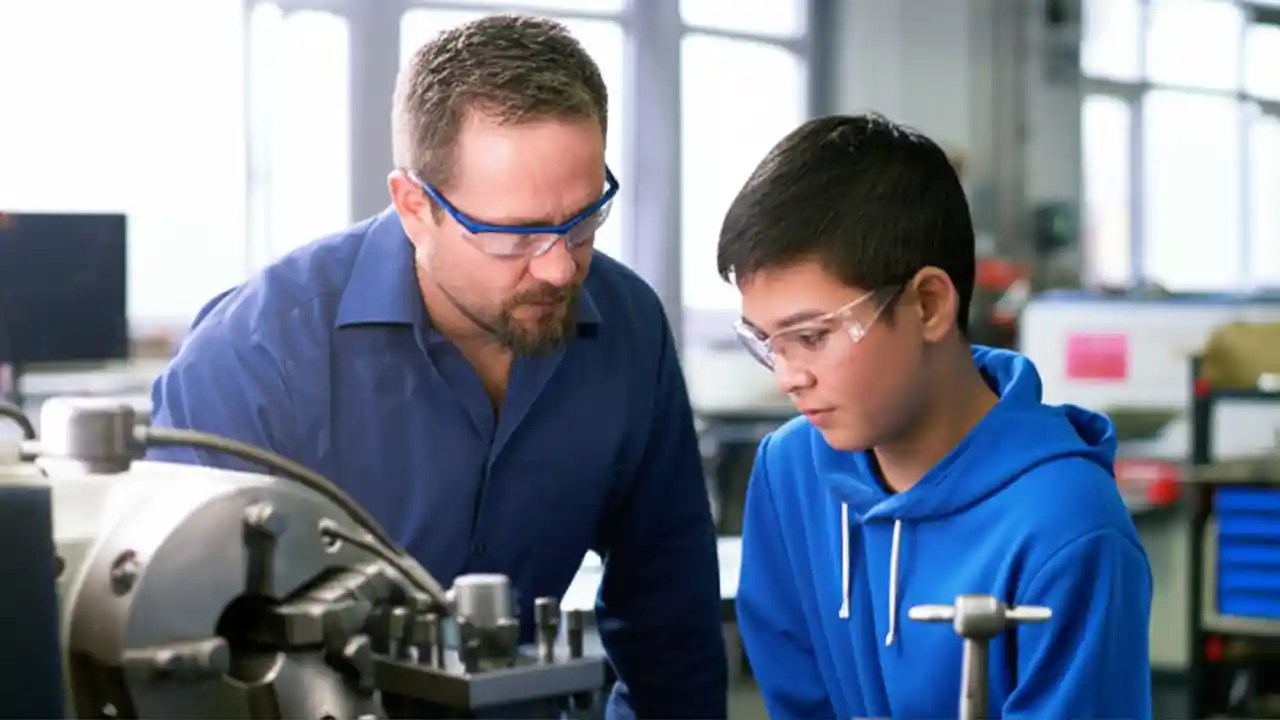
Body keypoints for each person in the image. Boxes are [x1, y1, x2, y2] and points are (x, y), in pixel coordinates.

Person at [147, 14, 726, 719]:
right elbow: (167, 656)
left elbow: (668, 620)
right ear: (415, 207)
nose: (558, 267)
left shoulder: (629, 328)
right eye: (514, 235)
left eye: (581, 221)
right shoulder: (257, 359)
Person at [719, 113, 1153, 719]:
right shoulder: (791, 471)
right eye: (767, 342)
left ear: (928, 305)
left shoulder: (1067, 526)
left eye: (813, 336)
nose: (788, 375)